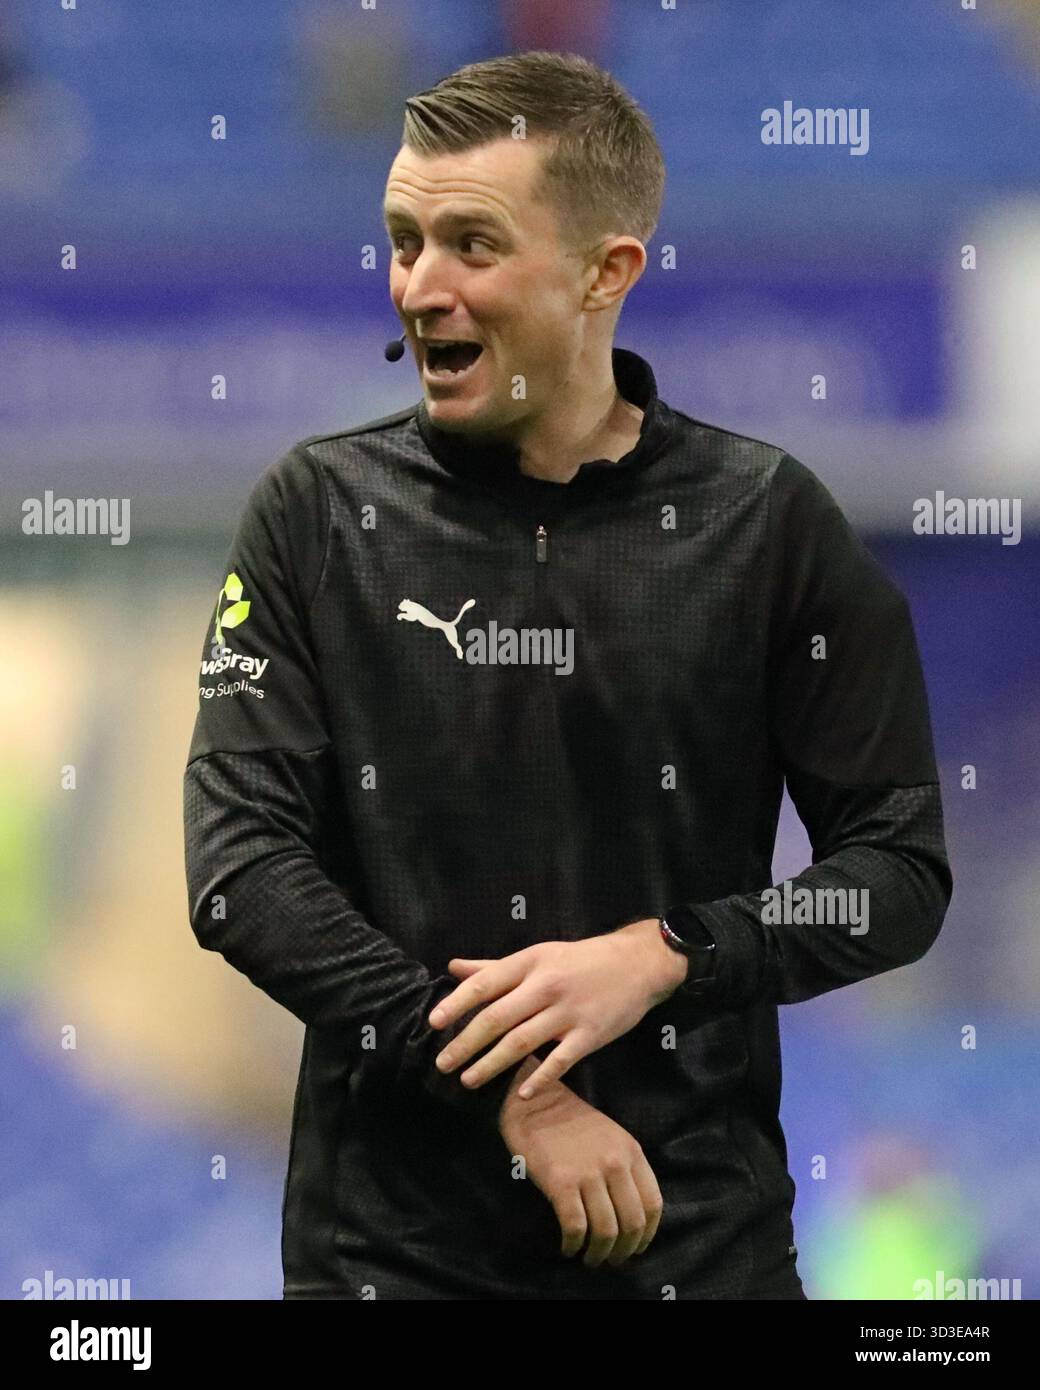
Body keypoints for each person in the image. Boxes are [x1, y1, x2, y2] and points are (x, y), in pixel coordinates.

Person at [182, 51, 952, 1300]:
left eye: (470, 245)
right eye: (402, 239)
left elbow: (893, 873)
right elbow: (241, 875)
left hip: (695, 1253)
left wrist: (667, 953)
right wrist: (507, 1092)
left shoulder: (764, 525)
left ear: (606, 274)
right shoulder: (316, 515)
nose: (419, 287)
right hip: (386, 1261)